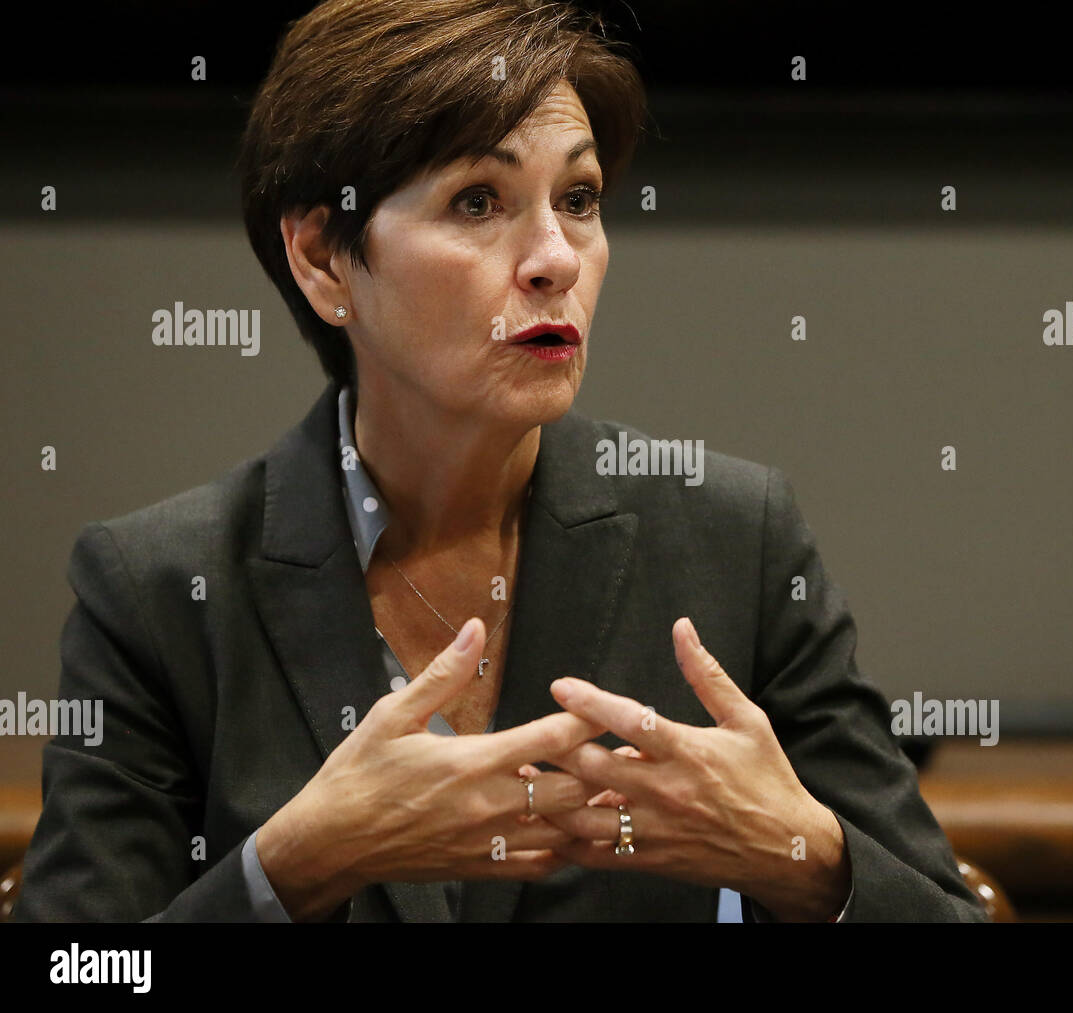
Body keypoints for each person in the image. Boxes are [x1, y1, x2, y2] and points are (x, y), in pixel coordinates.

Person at [14, 0, 985, 923]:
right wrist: (292, 867)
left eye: (579, 197)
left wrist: (803, 855)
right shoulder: (158, 591)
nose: (554, 256)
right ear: (322, 258)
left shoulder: (734, 538)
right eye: (478, 201)